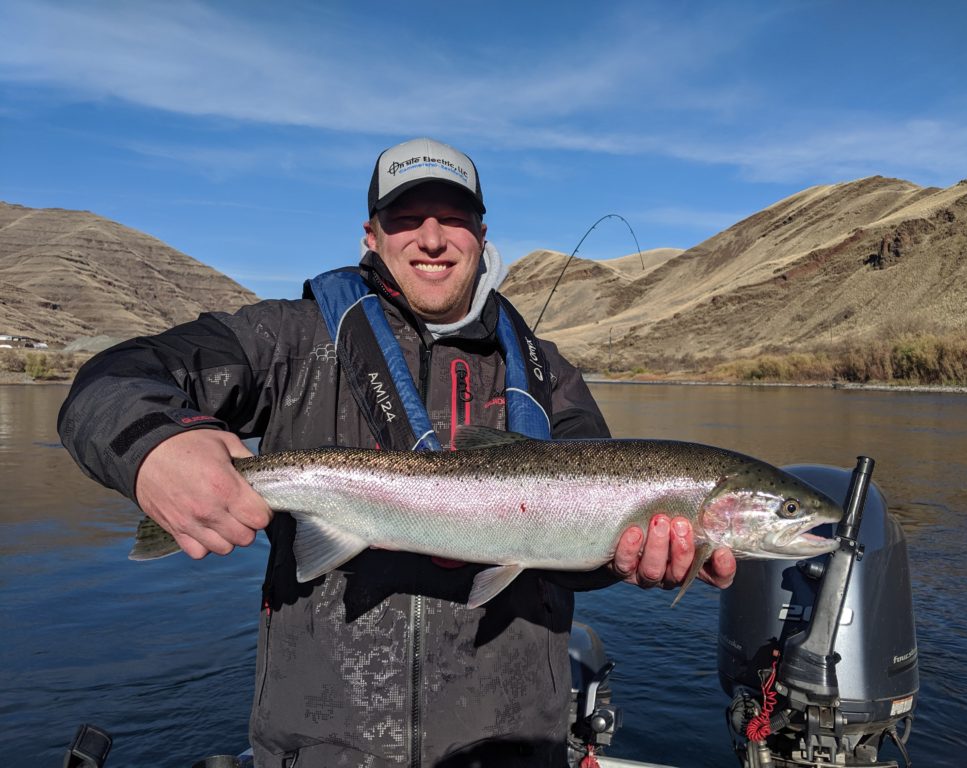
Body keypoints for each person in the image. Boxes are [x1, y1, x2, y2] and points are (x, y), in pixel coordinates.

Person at [58, 137, 736, 767]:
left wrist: (629, 560)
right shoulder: (288, 341)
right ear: (371, 235)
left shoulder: (549, 375)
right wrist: (153, 448)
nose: (433, 238)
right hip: (318, 747)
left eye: (455, 217)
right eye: (408, 217)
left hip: (509, 745)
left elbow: (577, 557)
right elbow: (112, 378)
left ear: (482, 235)